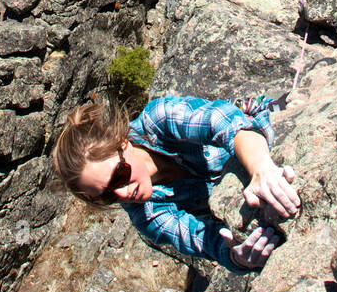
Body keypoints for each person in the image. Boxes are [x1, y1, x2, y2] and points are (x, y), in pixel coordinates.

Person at [51, 92, 300, 272]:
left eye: (118, 176)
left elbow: (224, 122)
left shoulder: (159, 119)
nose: (124, 193)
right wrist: (238, 258)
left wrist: (261, 169)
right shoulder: (148, 217)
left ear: (121, 143)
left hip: (268, 125)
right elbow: (207, 242)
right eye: (108, 195)